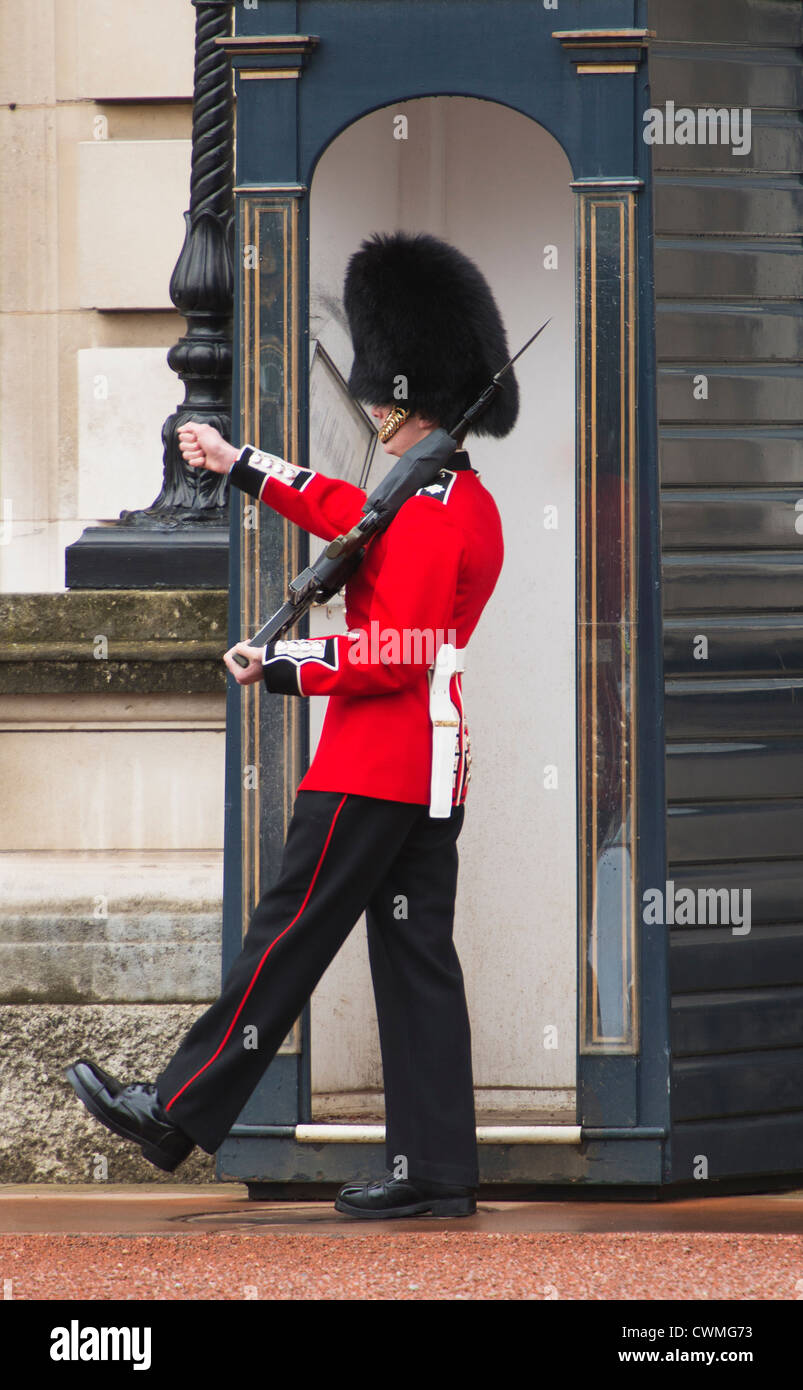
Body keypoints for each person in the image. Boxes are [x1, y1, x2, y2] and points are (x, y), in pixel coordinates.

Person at [66, 230, 519, 1218]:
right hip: (422, 771)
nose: (374, 414)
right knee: (415, 963)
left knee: (284, 939)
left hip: (376, 761)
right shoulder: (444, 496)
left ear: (409, 398)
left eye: (382, 399)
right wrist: (238, 464)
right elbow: (341, 508)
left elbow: (391, 653)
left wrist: (279, 664)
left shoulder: (435, 509)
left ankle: (175, 1110)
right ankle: (432, 1168)